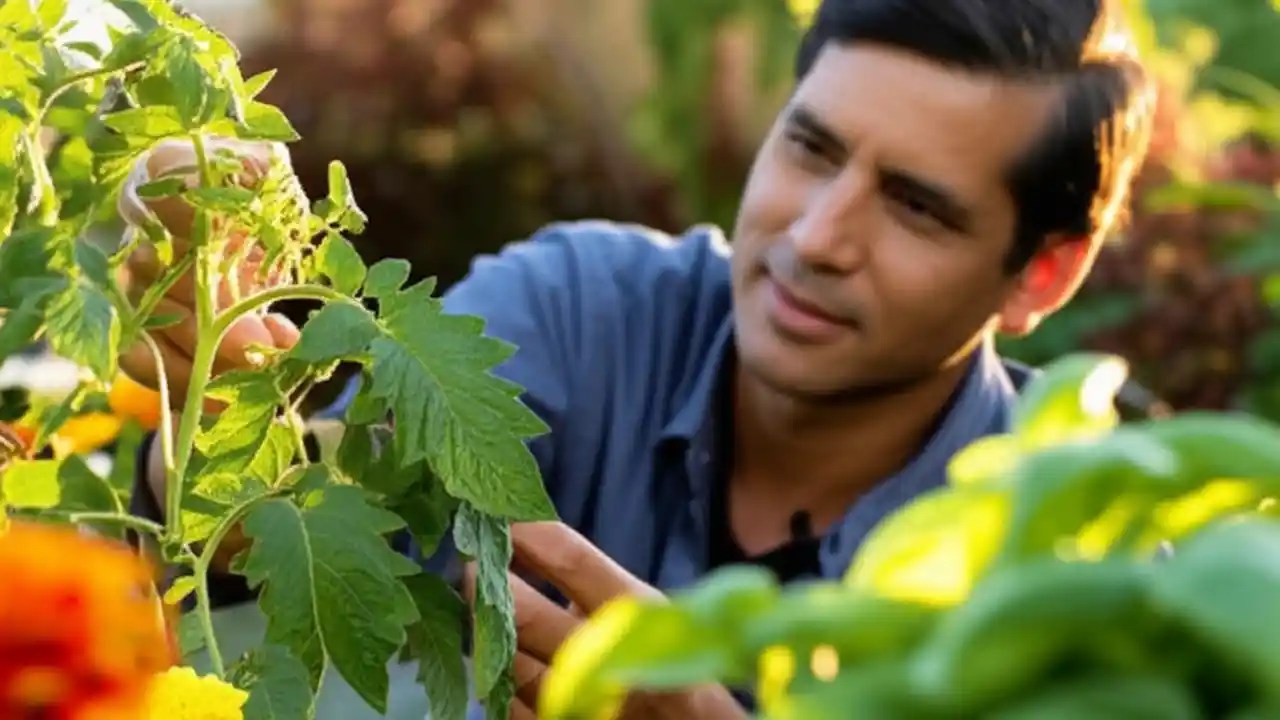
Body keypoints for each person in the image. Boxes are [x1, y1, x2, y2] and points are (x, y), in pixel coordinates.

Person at [119, 0, 1156, 716]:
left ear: (1042, 277)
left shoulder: (1084, 567)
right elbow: (320, 502)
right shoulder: (586, 310)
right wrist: (214, 392)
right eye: (811, 150)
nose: (816, 237)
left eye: (916, 207)